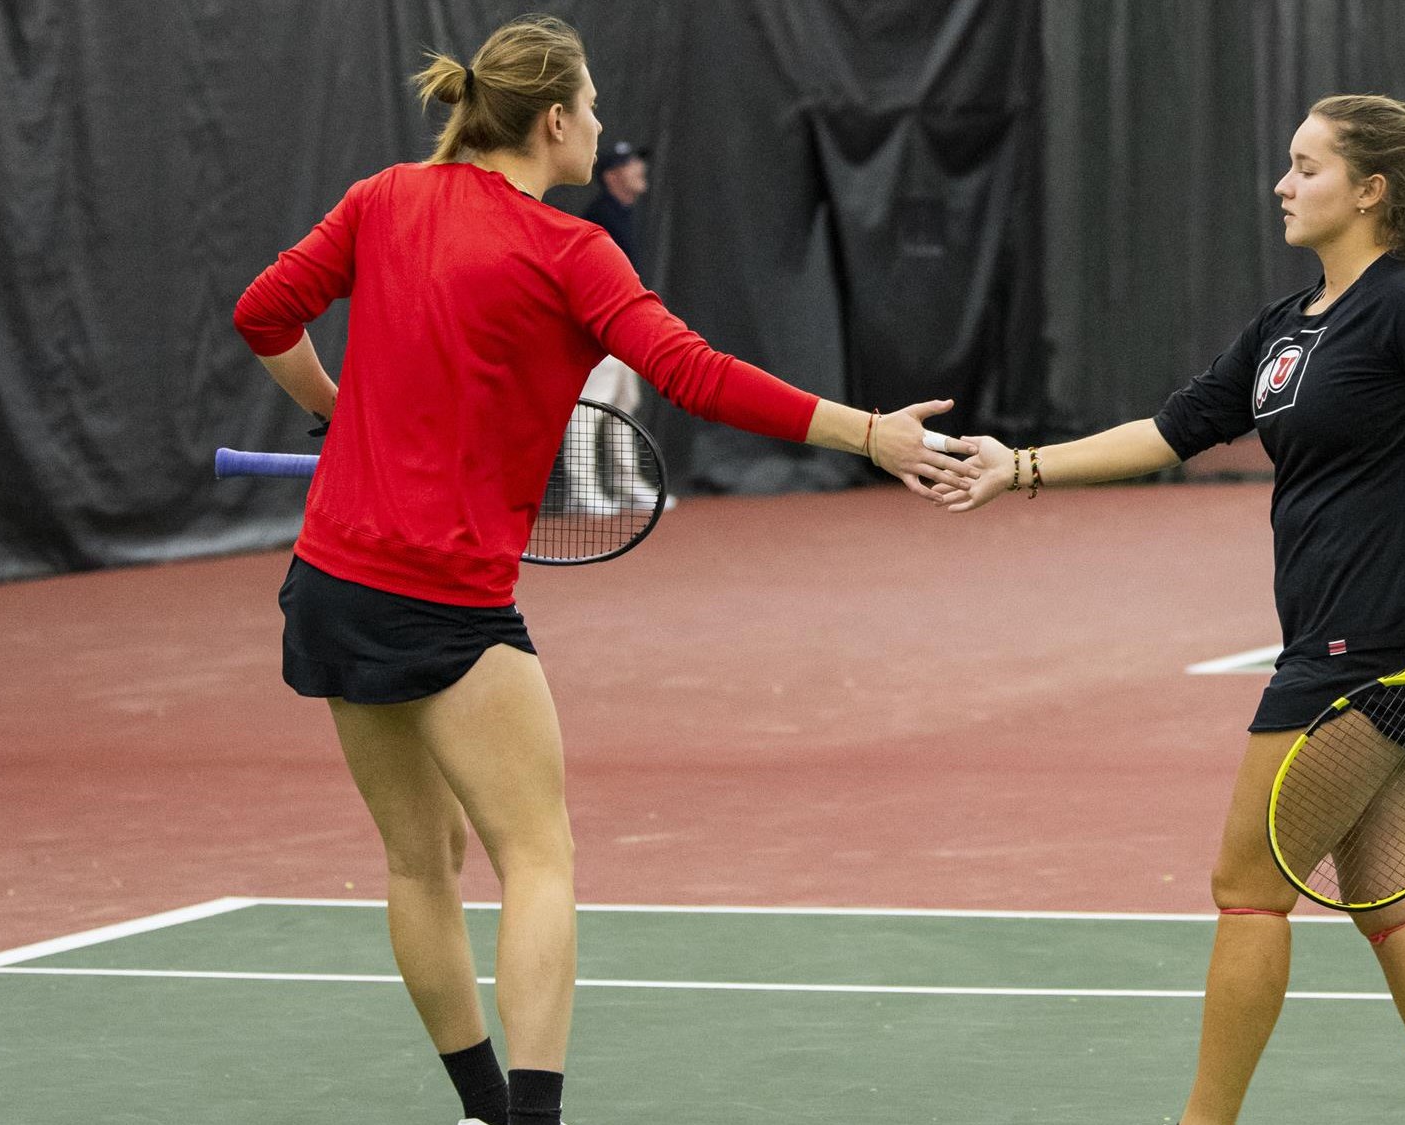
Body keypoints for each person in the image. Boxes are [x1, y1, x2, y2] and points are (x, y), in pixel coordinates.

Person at [230, 16, 977, 1125]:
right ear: (553, 120)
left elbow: (262, 314)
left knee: (418, 863)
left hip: (330, 585)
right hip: (446, 599)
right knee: (538, 857)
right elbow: (695, 373)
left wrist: (331, 409)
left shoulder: (384, 198)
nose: (598, 124)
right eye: (591, 106)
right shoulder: (571, 251)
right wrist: (868, 433)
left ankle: (484, 1107)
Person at [938, 95, 1405, 1124]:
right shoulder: (1287, 327)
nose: (1282, 183)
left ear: (1370, 191)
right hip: (1359, 636)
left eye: (1307, 167)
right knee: (1394, 906)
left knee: (1248, 889)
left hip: (1368, 645)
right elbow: (1174, 429)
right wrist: (1022, 467)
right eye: (1287, 163)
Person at [564, 139, 662, 515]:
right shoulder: (601, 217)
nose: (640, 168)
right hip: (596, 330)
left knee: (624, 402)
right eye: (630, 163)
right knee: (592, 405)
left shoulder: (623, 214)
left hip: (621, 330)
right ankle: (582, 490)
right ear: (611, 176)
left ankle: (625, 482)